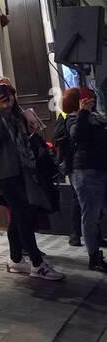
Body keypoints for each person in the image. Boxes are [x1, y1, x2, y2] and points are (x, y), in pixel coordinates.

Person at [0, 77, 64, 281]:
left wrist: (32, 127)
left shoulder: (17, 115)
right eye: (0, 90)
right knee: (23, 213)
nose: (6, 94)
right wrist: (0, 110)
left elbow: (26, 141)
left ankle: (16, 260)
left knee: (19, 215)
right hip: (3, 174)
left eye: (8, 89)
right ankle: (36, 263)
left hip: (21, 171)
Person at [66, 86, 107, 271]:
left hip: (100, 170)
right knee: (89, 216)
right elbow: (77, 135)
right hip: (85, 173)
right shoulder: (73, 119)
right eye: (86, 98)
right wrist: (83, 112)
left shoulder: (95, 118)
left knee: (96, 215)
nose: (90, 100)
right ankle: (94, 258)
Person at [53, 88, 83, 247]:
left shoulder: (63, 118)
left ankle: (76, 234)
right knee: (80, 201)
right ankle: (76, 234)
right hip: (76, 166)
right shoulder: (74, 120)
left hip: (70, 166)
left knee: (78, 200)